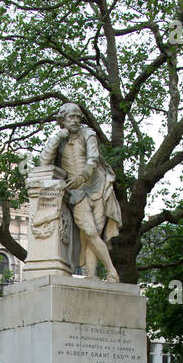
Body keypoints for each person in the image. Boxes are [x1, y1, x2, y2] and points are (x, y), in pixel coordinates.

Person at [38, 102, 123, 280]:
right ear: (62, 120)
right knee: (90, 231)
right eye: (71, 117)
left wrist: (82, 176)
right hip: (77, 193)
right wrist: (57, 137)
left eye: (78, 117)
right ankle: (112, 271)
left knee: (91, 235)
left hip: (98, 188)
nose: (76, 120)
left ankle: (91, 276)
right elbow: (43, 162)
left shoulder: (88, 134)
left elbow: (93, 159)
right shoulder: (60, 140)